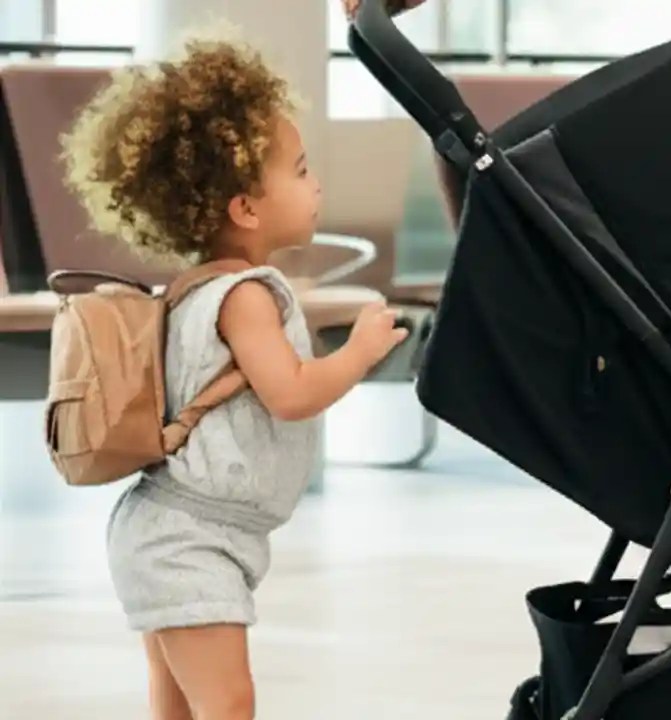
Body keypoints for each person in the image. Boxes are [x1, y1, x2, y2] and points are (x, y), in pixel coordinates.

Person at [61, 35, 407, 720]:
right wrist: (360, 352)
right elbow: (293, 392)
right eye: (301, 171)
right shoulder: (246, 295)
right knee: (228, 703)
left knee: (181, 706)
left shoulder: (196, 287)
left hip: (171, 529)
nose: (317, 186)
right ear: (246, 208)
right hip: (190, 539)